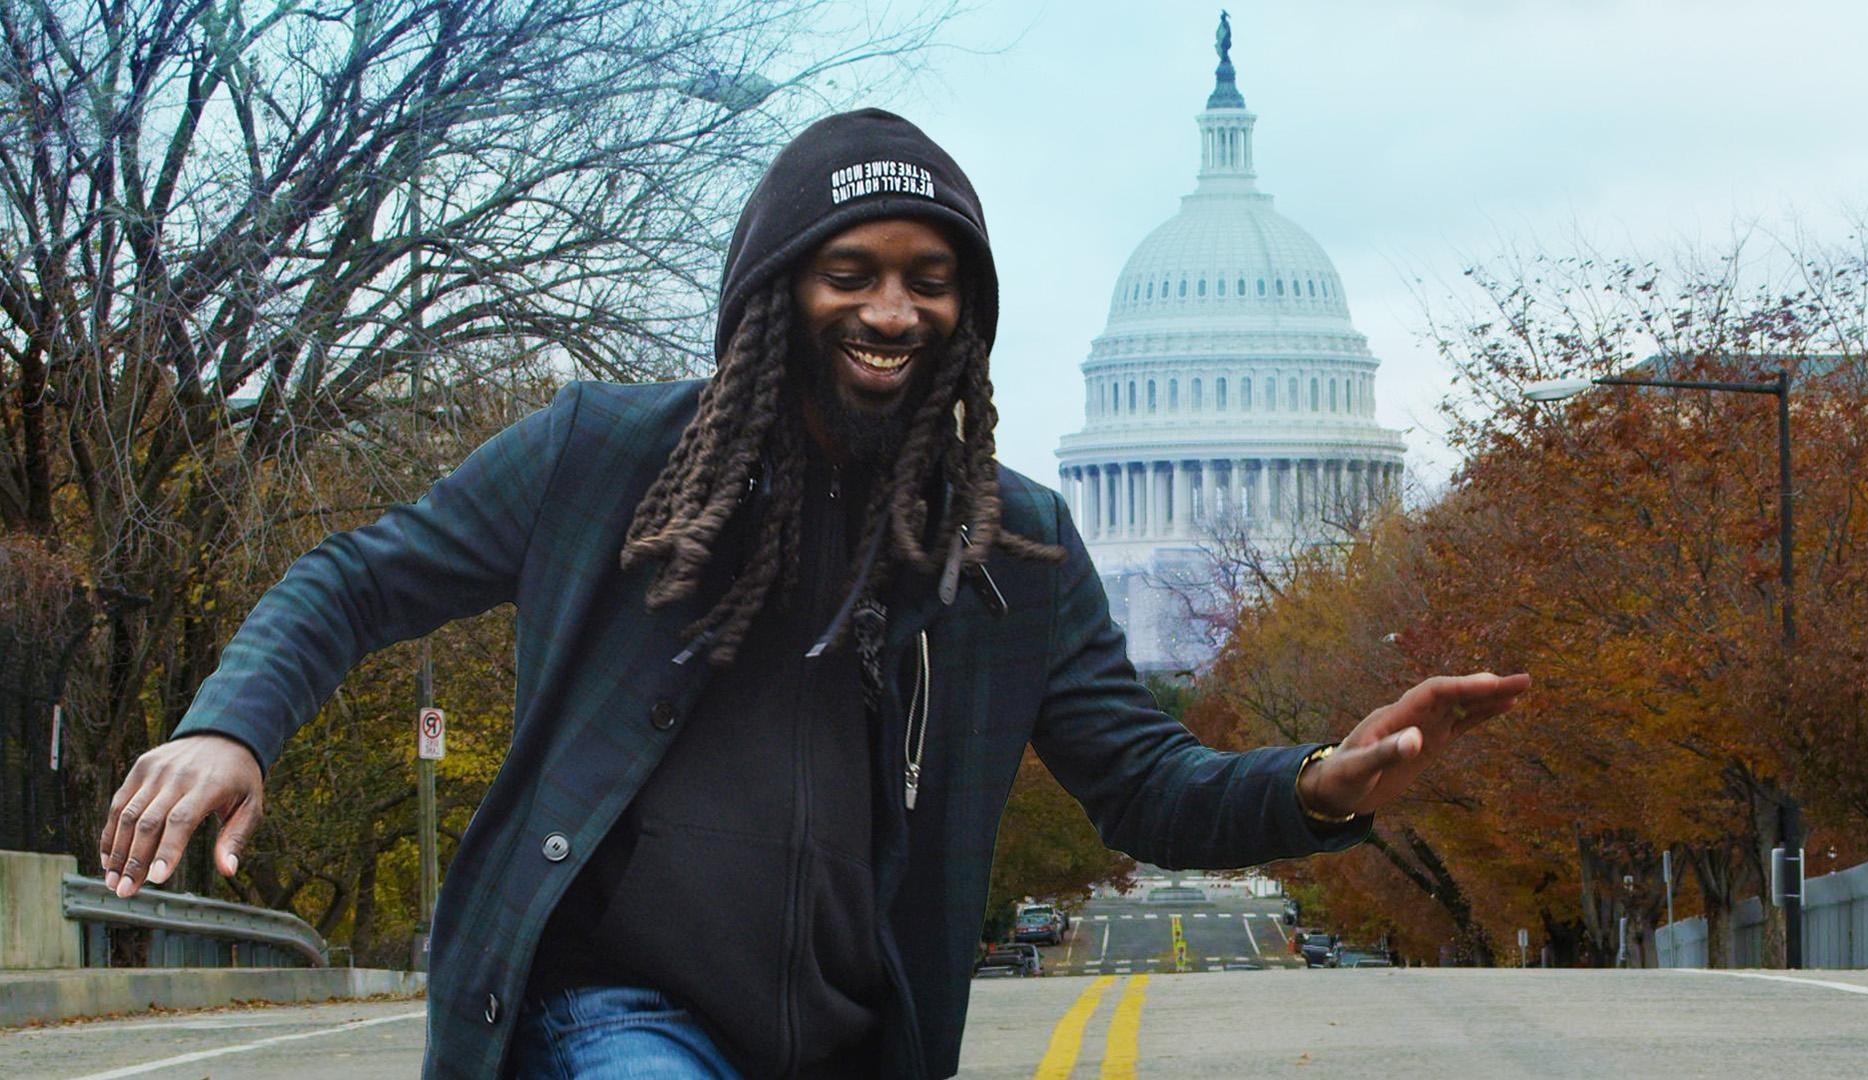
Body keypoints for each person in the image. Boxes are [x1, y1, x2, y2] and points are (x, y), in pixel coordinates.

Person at [98, 109, 1529, 1079]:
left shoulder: (1009, 546)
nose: (893, 310)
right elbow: (356, 578)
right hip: (612, 1011)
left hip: (860, 1036)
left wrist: (1320, 790)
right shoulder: (607, 457)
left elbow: (1141, 782)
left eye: (929, 278)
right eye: (849, 272)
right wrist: (231, 725)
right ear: (777, 288)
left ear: (968, 308)